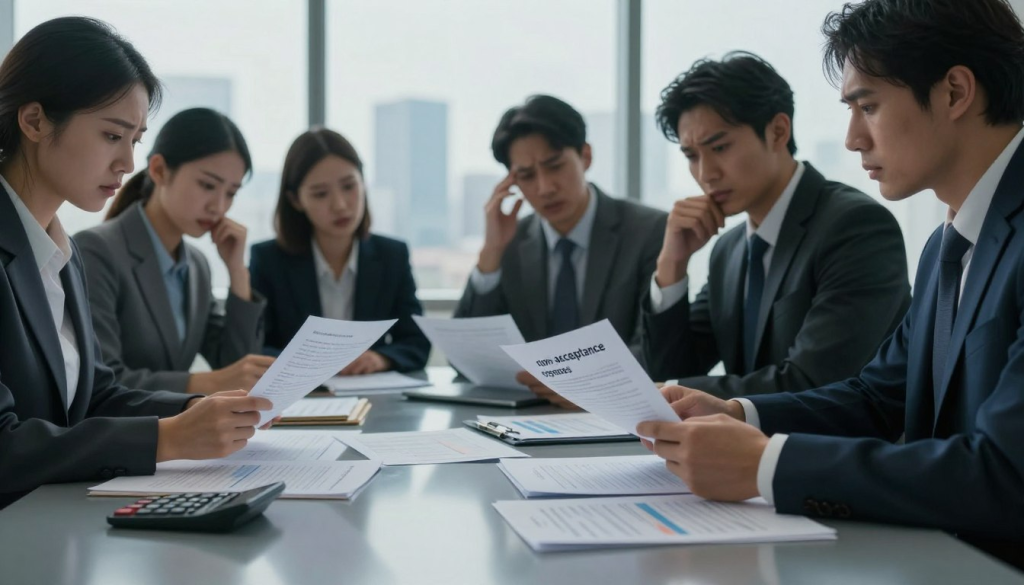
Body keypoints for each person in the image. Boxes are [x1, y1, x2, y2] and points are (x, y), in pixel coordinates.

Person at [639, 0, 1024, 568]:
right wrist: (741, 414)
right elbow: (877, 397)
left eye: (866, 106)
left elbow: (1005, 475)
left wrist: (767, 465)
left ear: (955, 92)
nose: (851, 139)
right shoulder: (948, 245)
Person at [0, 17, 272, 510]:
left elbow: (95, 394)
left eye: (135, 140)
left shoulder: (63, 252)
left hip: (54, 524)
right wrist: (165, 438)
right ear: (35, 121)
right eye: (112, 136)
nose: (128, 163)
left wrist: (199, 411)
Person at [642, 52, 910, 398]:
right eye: (692, 156)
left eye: (720, 147)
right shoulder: (730, 249)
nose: (706, 174)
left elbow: (813, 383)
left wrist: (667, 390)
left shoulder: (855, 227)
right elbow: (674, 370)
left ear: (778, 131)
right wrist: (672, 264)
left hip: (836, 449)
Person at [454, 95, 666, 406]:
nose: (545, 187)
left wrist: (578, 380)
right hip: (525, 419)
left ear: (586, 156)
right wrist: (490, 255)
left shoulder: (648, 230)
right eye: (526, 176)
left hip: (616, 413)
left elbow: (655, 350)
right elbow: (466, 359)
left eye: (555, 166)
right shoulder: (509, 241)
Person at [74, 108, 270, 394]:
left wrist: (238, 273)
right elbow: (101, 381)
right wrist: (211, 383)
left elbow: (236, 366)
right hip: (126, 435)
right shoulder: (96, 251)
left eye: (231, 193)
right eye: (207, 185)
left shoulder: (197, 266)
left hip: (181, 433)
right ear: (159, 170)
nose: (219, 206)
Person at [250, 128, 430, 373]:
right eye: (321, 194)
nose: (340, 205)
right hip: (299, 400)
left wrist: (380, 359)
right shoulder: (269, 259)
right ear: (296, 200)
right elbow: (256, 348)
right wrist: (310, 365)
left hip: (374, 397)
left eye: (349, 186)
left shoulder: (392, 255)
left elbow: (416, 342)